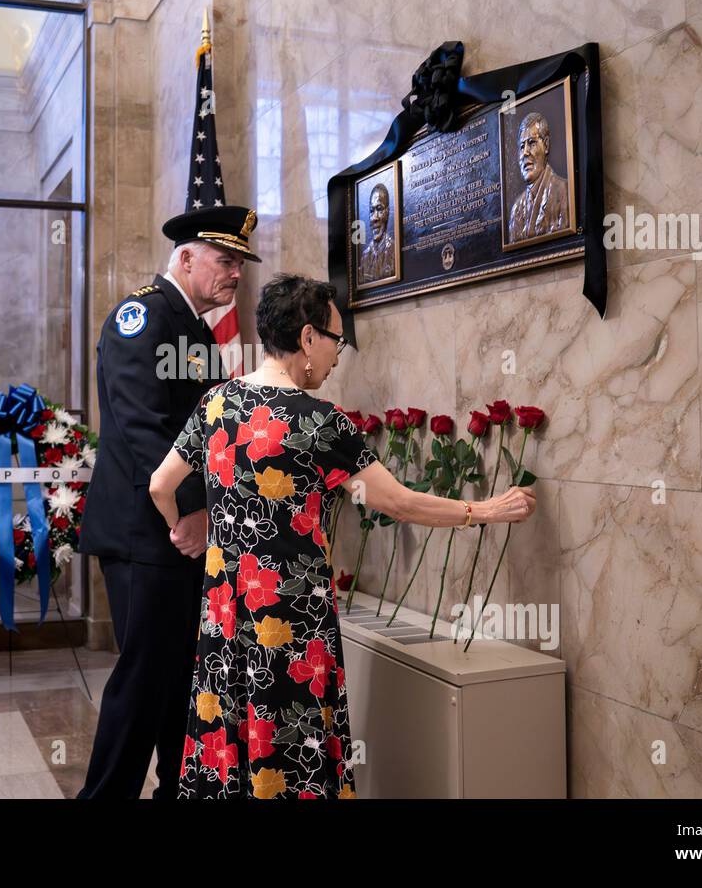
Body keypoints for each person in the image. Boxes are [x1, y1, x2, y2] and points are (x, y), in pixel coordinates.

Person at [149, 274, 536, 798]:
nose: (338, 356)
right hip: (289, 620)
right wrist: (481, 510)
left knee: (230, 735)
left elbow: (160, 484)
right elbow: (398, 501)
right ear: (307, 339)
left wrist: (182, 528)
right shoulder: (318, 421)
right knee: (290, 739)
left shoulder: (216, 404)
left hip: (224, 612)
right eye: (336, 340)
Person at [77, 205, 261, 799]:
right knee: (144, 679)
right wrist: (190, 509)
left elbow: (205, 429)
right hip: (145, 529)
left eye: (239, 263)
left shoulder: (191, 327)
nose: (235, 275)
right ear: (186, 259)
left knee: (182, 678)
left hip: (178, 530)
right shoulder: (143, 317)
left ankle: (178, 792)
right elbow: (145, 427)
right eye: (225, 261)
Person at [508, 110, 569, 241]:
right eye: (521, 146)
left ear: (546, 145)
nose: (525, 152)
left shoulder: (565, 192)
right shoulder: (516, 209)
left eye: (531, 143)